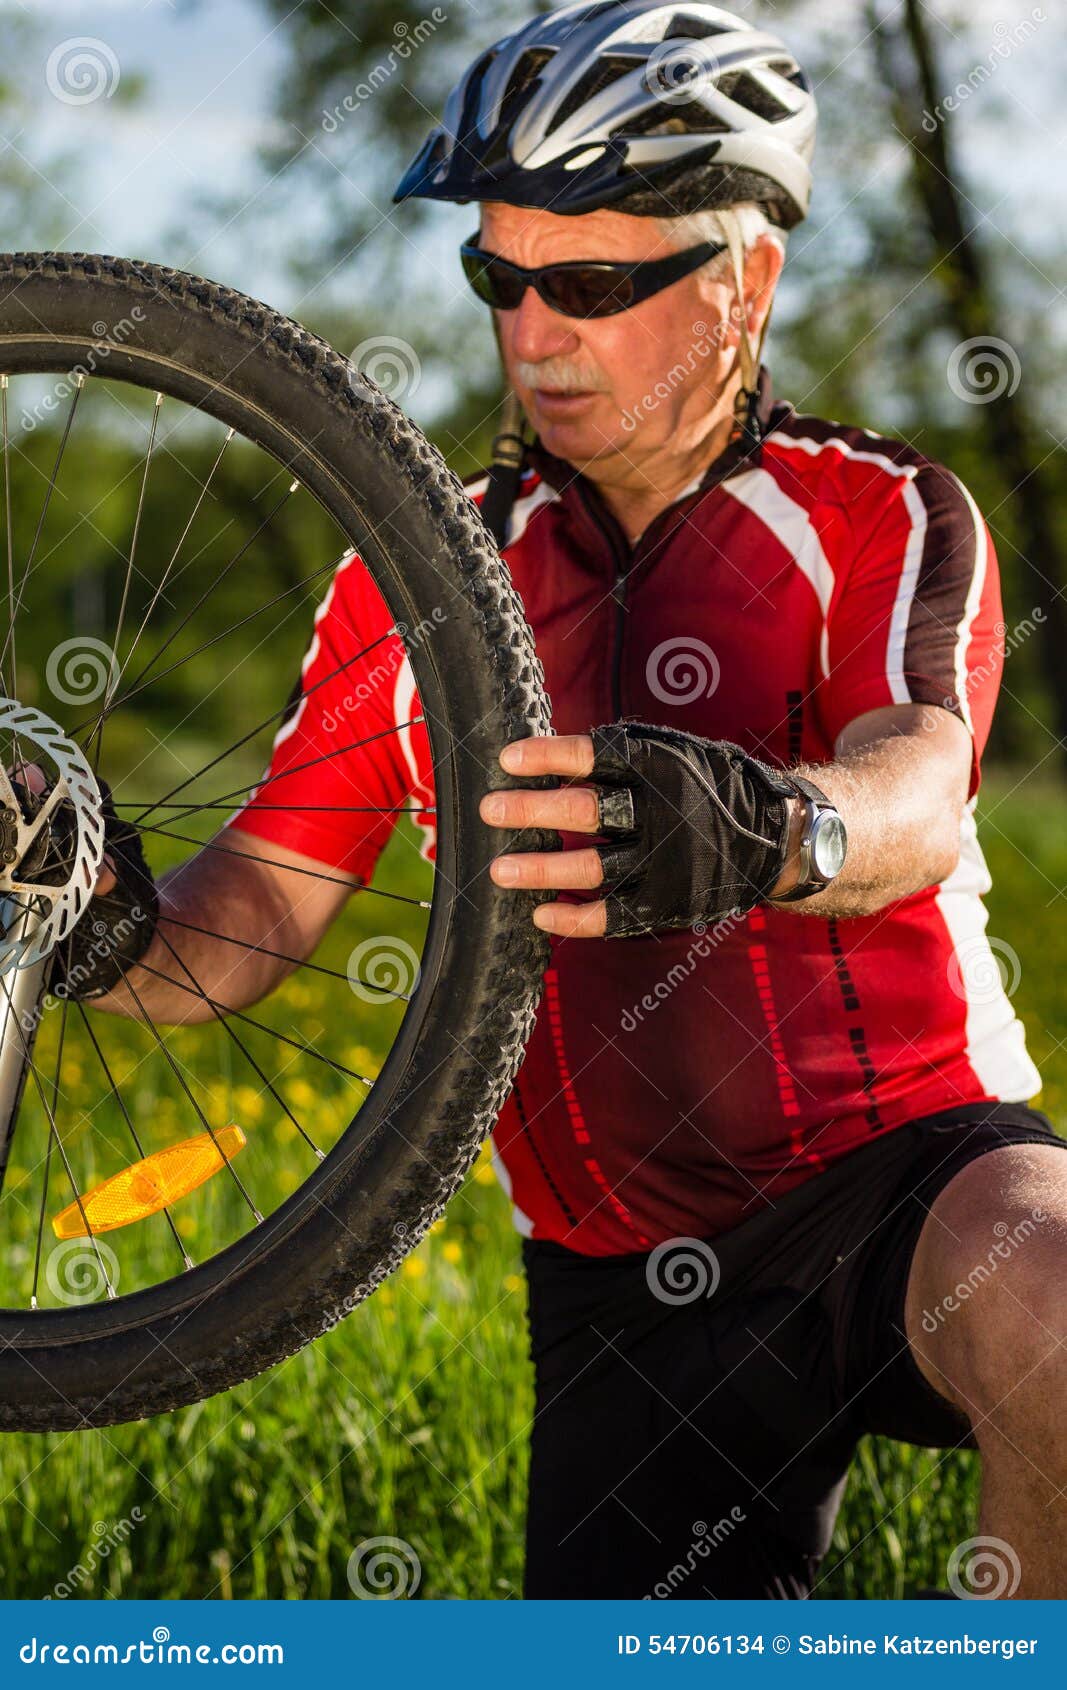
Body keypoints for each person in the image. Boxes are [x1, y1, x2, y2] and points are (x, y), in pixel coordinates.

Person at [66, 1, 1067, 1599]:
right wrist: (104, 920)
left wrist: (767, 824)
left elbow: (923, 788)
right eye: (498, 277)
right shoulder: (419, 568)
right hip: (622, 1271)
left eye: (592, 285)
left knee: (1061, 1306)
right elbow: (250, 919)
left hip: (907, 1166)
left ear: (744, 284)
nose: (532, 334)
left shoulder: (874, 511)